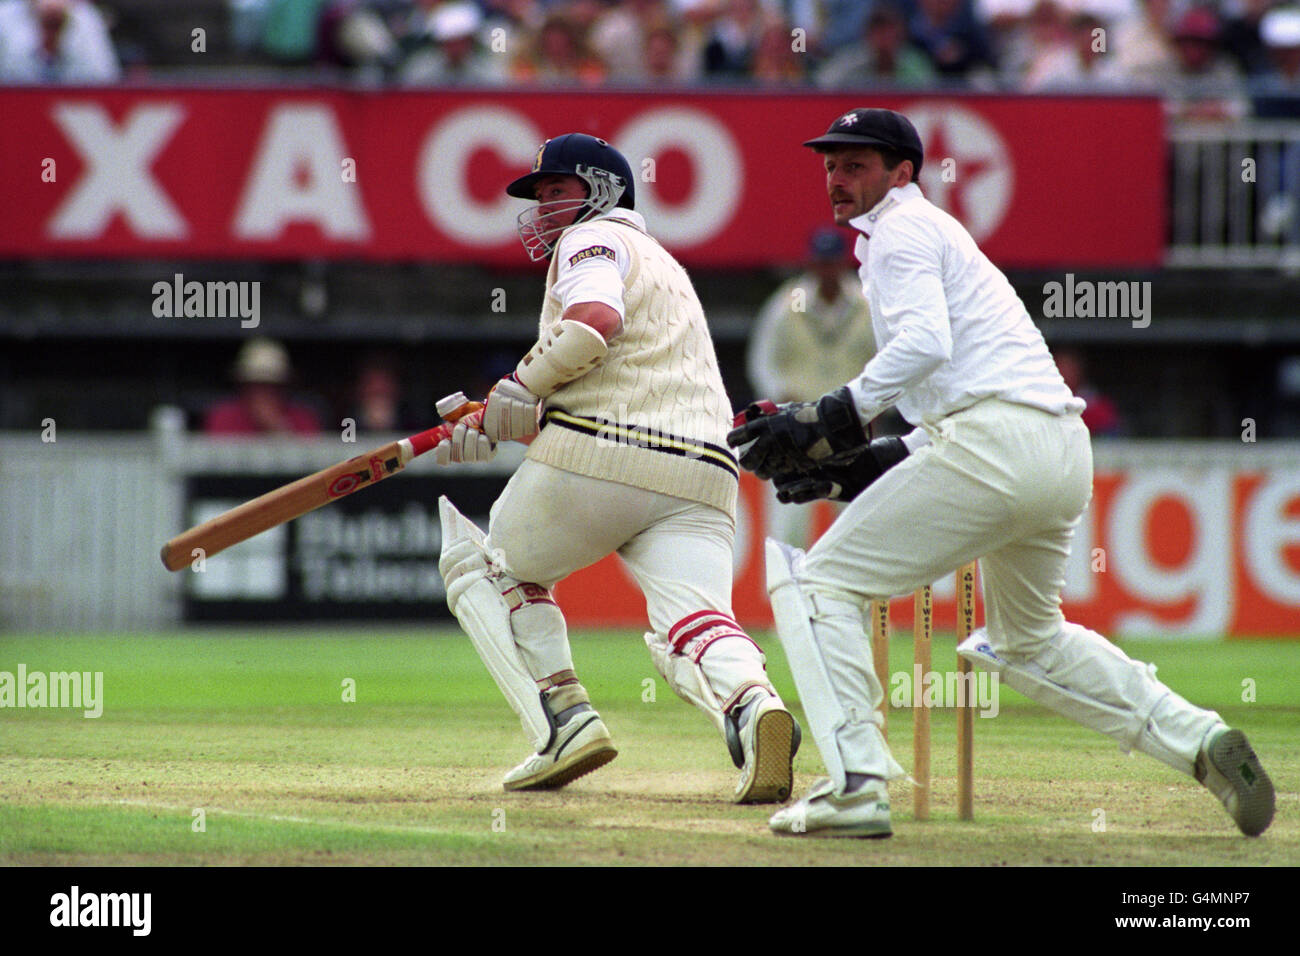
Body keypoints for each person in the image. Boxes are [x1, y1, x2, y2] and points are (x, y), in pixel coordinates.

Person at [727, 107, 1275, 838]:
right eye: (831, 164)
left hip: (995, 447)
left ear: (901, 174)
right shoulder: (937, 237)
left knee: (818, 582)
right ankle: (1199, 738)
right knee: (1029, 641)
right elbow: (947, 408)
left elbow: (925, 345)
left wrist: (829, 415)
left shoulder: (900, 230)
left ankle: (856, 782)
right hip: (1054, 448)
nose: (836, 178)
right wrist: (842, 473)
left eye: (855, 165)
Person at [433, 133, 800, 803]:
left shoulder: (590, 240)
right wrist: (504, 416)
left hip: (606, 454)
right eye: (538, 196)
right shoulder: (666, 264)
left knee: (484, 564)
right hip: (705, 471)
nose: (543, 209)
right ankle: (753, 704)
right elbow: (618, 375)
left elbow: (592, 324)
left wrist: (518, 386)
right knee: (692, 623)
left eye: (555, 192)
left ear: (602, 193)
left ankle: (562, 719)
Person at [747, 226, 877, 548]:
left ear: (844, 263)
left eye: (832, 262)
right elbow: (762, 359)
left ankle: (850, 594)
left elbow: (884, 358)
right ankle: (790, 594)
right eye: (821, 262)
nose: (827, 271)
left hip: (850, 423)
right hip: (796, 425)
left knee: (852, 520)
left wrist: (876, 403)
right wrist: (779, 397)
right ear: (810, 263)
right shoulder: (793, 301)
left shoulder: (864, 302)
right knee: (790, 525)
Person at [203, 338, 323, 436]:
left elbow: (310, 461)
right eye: (256, 384)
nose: (263, 393)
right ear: (243, 386)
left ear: (284, 387)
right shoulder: (223, 417)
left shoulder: (303, 419)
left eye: (271, 386)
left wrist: (278, 428)